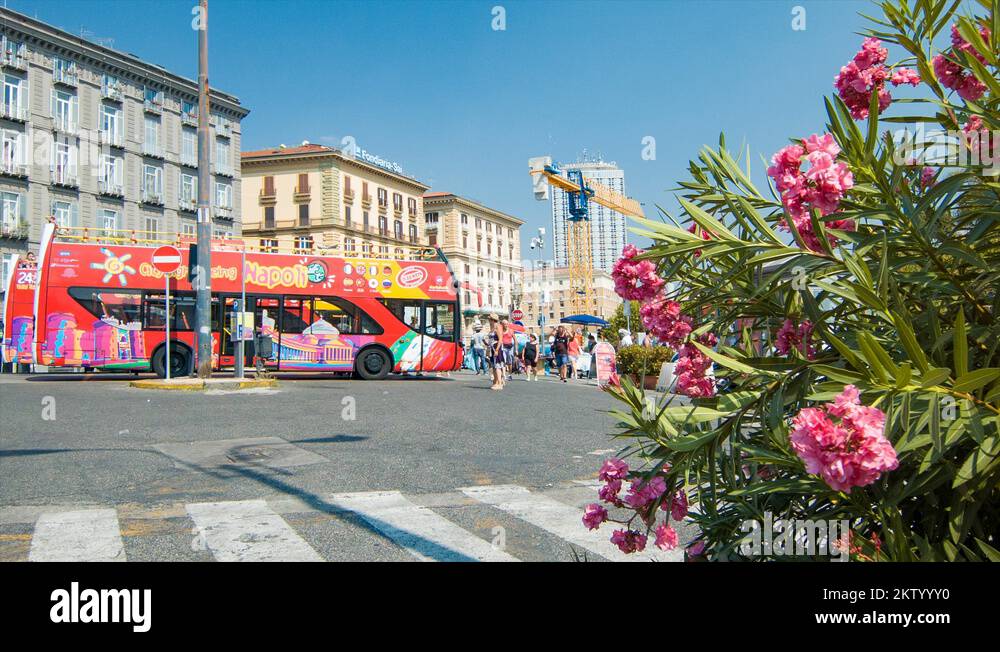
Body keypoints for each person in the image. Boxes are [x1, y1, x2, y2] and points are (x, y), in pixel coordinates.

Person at [487, 313, 506, 390]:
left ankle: (500, 383)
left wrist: (497, 350)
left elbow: (500, 339)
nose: (488, 320)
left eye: (489, 319)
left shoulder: (498, 327)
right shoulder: (492, 327)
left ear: (492, 319)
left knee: (498, 365)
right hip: (492, 347)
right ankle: (495, 382)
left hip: (496, 348)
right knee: (494, 366)